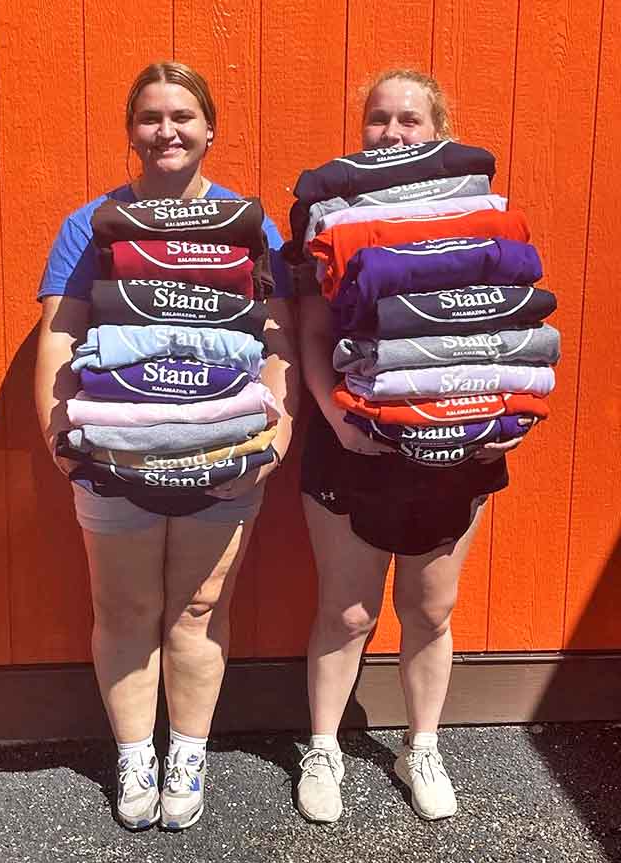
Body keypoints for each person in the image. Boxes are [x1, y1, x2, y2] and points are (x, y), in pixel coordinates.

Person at [35, 61, 297, 832]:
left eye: (182, 115)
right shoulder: (94, 223)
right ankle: (133, 753)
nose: (167, 130)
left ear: (209, 128)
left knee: (199, 608)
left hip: (226, 453)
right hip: (113, 454)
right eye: (151, 117)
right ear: (132, 131)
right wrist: (62, 440)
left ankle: (187, 750)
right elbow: (59, 336)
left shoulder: (249, 224)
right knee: (123, 606)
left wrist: (275, 433)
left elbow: (277, 335)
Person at [296, 69, 526, 823]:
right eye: (377, 120)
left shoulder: (475, 211)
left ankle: (420, 743)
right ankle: (323, 746)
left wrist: (480, 414)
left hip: (456, 436)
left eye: (409, 120)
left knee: (431, 606)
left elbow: (501, 316)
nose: (392, 133)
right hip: (353, 437)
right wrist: (336, 420)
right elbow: (313, 326)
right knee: (350, 609)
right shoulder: (328, 210)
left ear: (440, 130)